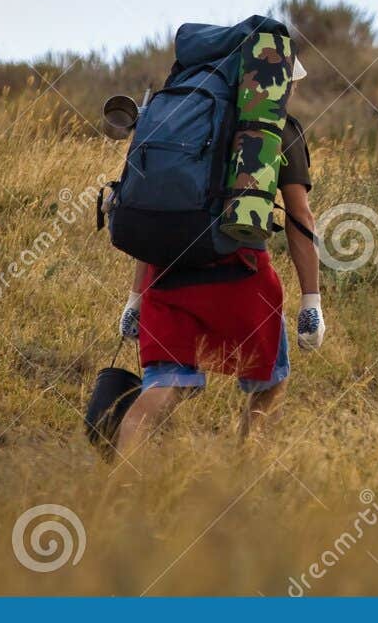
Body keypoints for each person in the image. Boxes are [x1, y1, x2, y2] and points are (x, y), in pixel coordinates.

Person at [114, 58, 324, 453]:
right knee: (271, 381)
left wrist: (135, 298)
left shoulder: (174, 120)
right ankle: (245, 480)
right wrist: (311, 299)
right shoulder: (277, 129)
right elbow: (300, 217)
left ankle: (117, 493)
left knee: (161, 389)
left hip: (167, 272)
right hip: (241, 277)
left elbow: (155, 213)